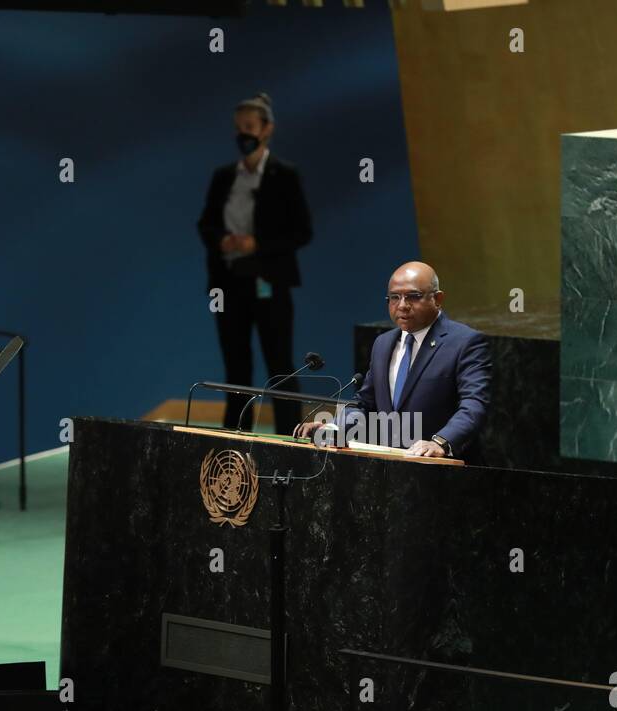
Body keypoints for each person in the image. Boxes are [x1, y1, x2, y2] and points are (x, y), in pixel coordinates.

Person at [196, 92, 313, 436]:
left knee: (280, 365)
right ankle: (234, 440)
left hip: (269, 282)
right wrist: (222, 240)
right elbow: (205, 223)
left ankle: (293, 439)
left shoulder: (285, 175)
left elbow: (302, 232)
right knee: (236, 366)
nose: (242, 135)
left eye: (249, 127)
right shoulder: (223, 177)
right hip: (229, 283)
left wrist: (257, 243)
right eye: (238, 128)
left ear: (267, 129)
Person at [296, 261, 491, 460]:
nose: (403, 305)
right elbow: (365, 404)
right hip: (390, 467)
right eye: (394, 297)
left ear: (438, 298)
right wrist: (334, 427)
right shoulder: (383, 343)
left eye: (413, 297)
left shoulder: (464, 342)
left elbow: (474, 404)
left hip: (441, 469)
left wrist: (440, 442)